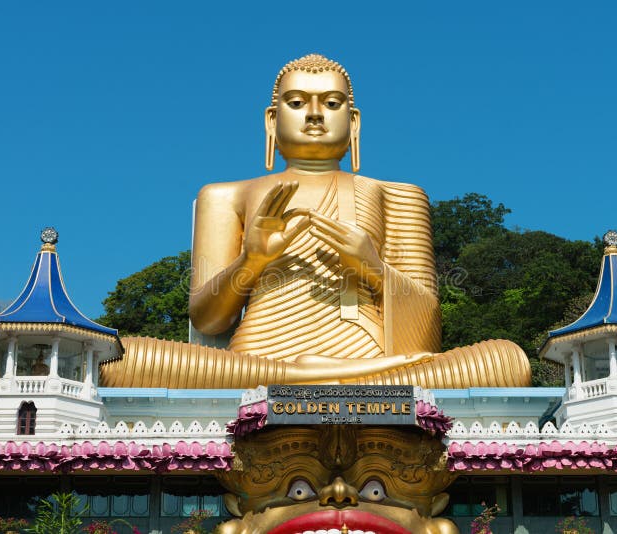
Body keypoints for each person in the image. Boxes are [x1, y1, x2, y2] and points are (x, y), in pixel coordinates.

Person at [100, 54, 530, 389]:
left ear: (354, 121)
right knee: (121, 360)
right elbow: (208, 321)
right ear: (272, 120)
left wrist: (373, 267)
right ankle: (308, 379)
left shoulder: (397, 194)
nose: (315, 114)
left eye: (332, 102)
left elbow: (424, 340)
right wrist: (251, 261)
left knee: (507, 361)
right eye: (297, 102)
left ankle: (309, 381)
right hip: (260, 363)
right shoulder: (226, 195)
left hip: (373, 360)